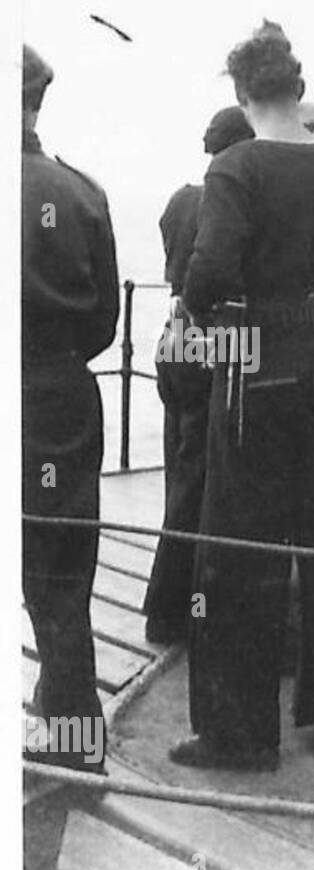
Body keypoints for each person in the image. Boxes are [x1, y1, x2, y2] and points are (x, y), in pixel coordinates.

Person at [169, 22, 314, 771]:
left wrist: (195, 314)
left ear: (243, 92)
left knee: (239, 552)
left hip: (258, 370)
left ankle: (240, 733)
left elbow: (210, 272)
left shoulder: (237, 167)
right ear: (298, 86)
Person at [21, 44, 120, 774]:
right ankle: (72, 732)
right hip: (62, 397)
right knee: (63, 571)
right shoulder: (82, 191)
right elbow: (104, 323)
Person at [143, 107, 253, 644]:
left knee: (181, 469)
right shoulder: (234, 198)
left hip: (175, 339)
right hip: (223, 338)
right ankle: (177, 608)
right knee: (211, 478)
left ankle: (177, 600)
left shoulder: (180, 200)